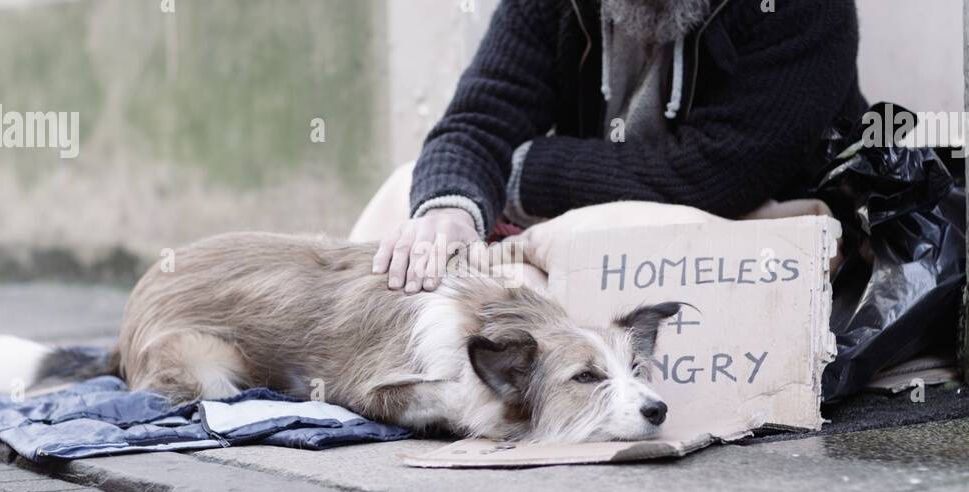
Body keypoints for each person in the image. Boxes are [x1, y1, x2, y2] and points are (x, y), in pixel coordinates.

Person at [350, 0, 866, 293]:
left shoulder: (805, 8)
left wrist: (526, 173)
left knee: (542, 267)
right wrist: (450, 211)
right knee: (418, 197)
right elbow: (480, 119)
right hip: (609, 213)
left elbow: (712, 176)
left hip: (759, 222)